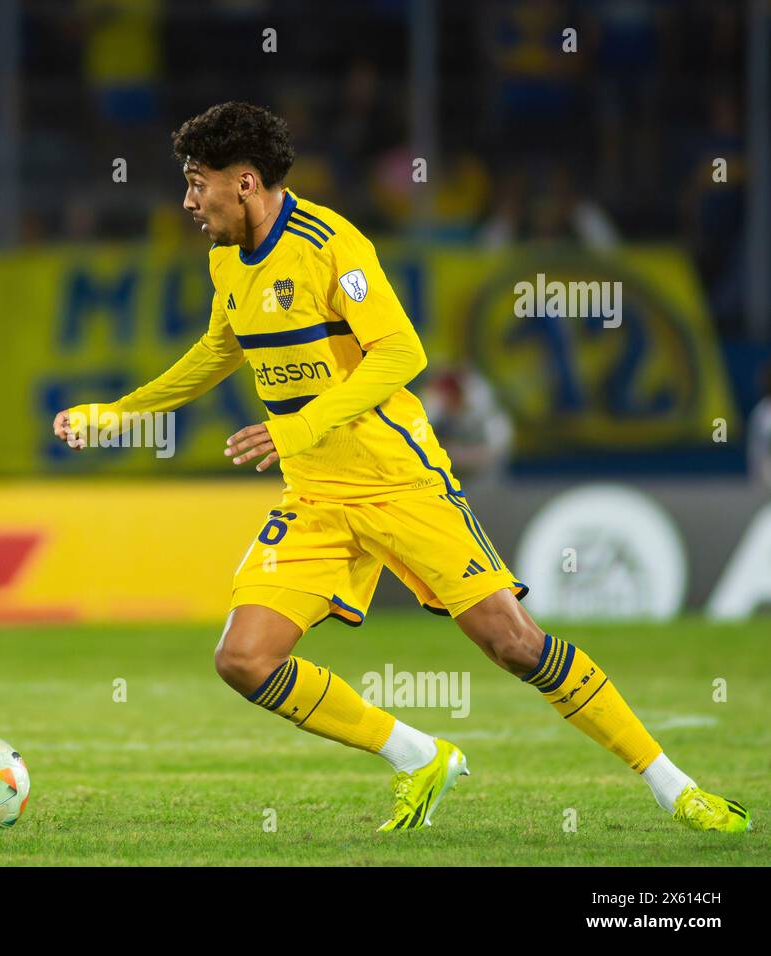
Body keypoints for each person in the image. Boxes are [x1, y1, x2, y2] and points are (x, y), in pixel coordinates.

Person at [52, 101, 747, 833]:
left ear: (246, 182)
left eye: (198, 183)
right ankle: (420, 756)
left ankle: (677, 788)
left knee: (514, 644)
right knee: (244, 659)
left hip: (397, 480)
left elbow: (402, 353)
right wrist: (122, 414)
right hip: (317, 494)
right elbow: (220, 349)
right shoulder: (228, 256)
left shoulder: (330, 245)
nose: (188, 201)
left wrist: (302, 424)